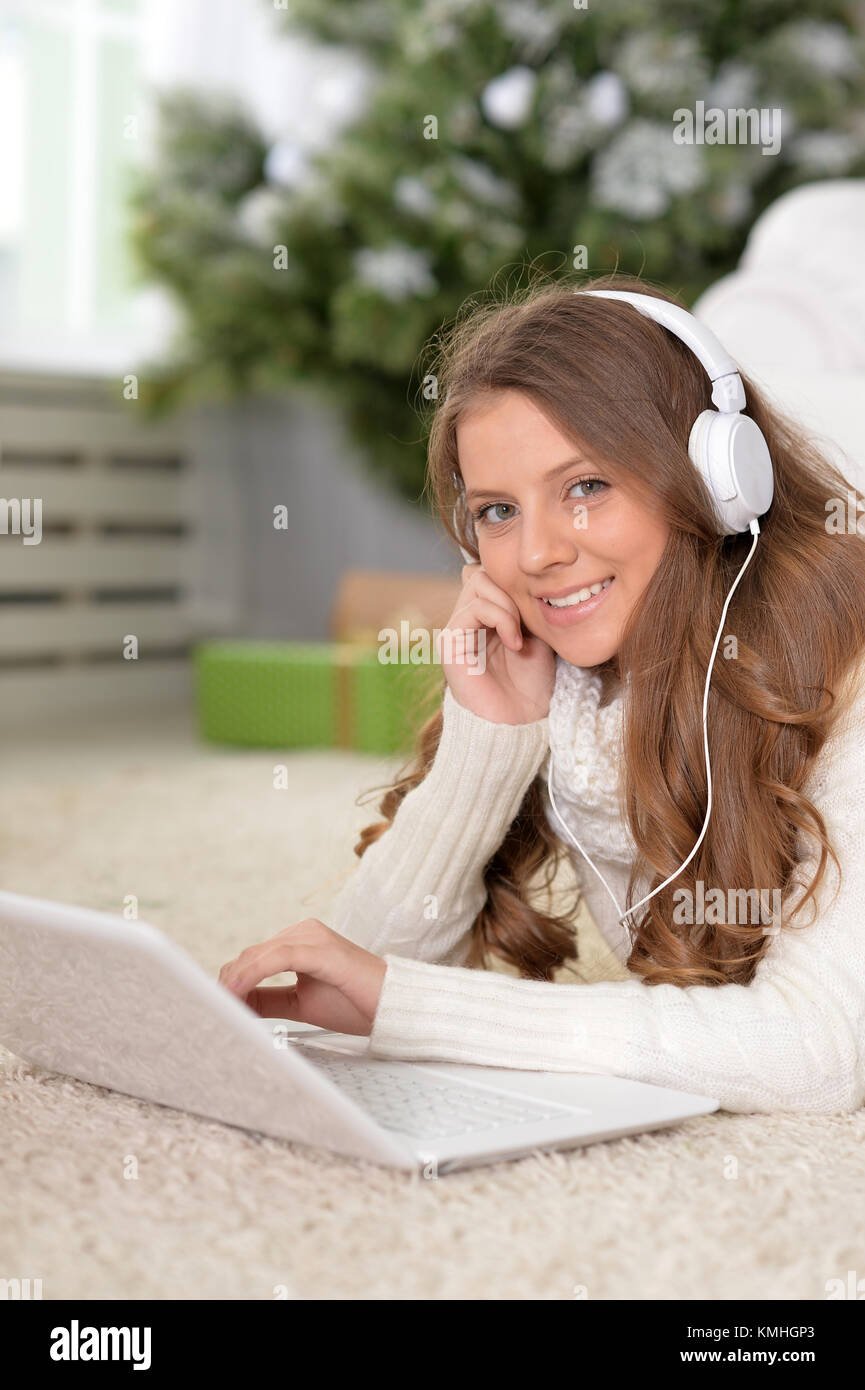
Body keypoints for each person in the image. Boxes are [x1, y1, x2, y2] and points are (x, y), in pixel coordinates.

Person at [218, 272, 865, 1114]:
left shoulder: (845, 669)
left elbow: (816, 1054)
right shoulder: (577, 691)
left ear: (713, 479)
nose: (535, 555)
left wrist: (410, 1009)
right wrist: (489, 745)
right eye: (495, 511)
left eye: (585, 487)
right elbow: (337, 1002)